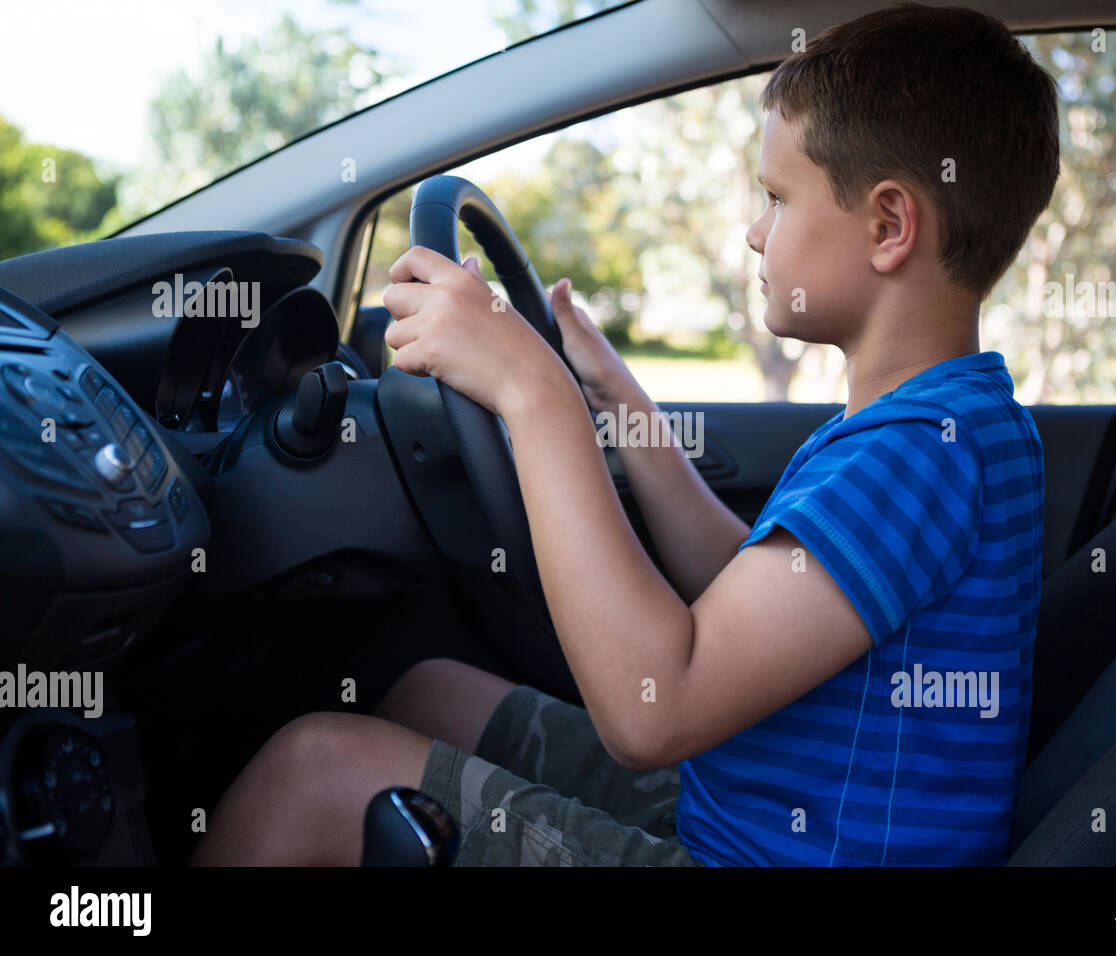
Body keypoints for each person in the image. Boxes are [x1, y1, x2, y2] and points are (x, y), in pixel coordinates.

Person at [190, 1, 1057, 867]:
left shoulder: (915, 455)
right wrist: (621, 404)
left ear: (889, 226)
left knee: (312, 771)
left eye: (777, 198)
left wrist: (537, 396)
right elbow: (750, 591)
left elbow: (654, 712)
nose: (756, 232)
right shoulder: (949, 426)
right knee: (431, 692)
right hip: (754, 804)